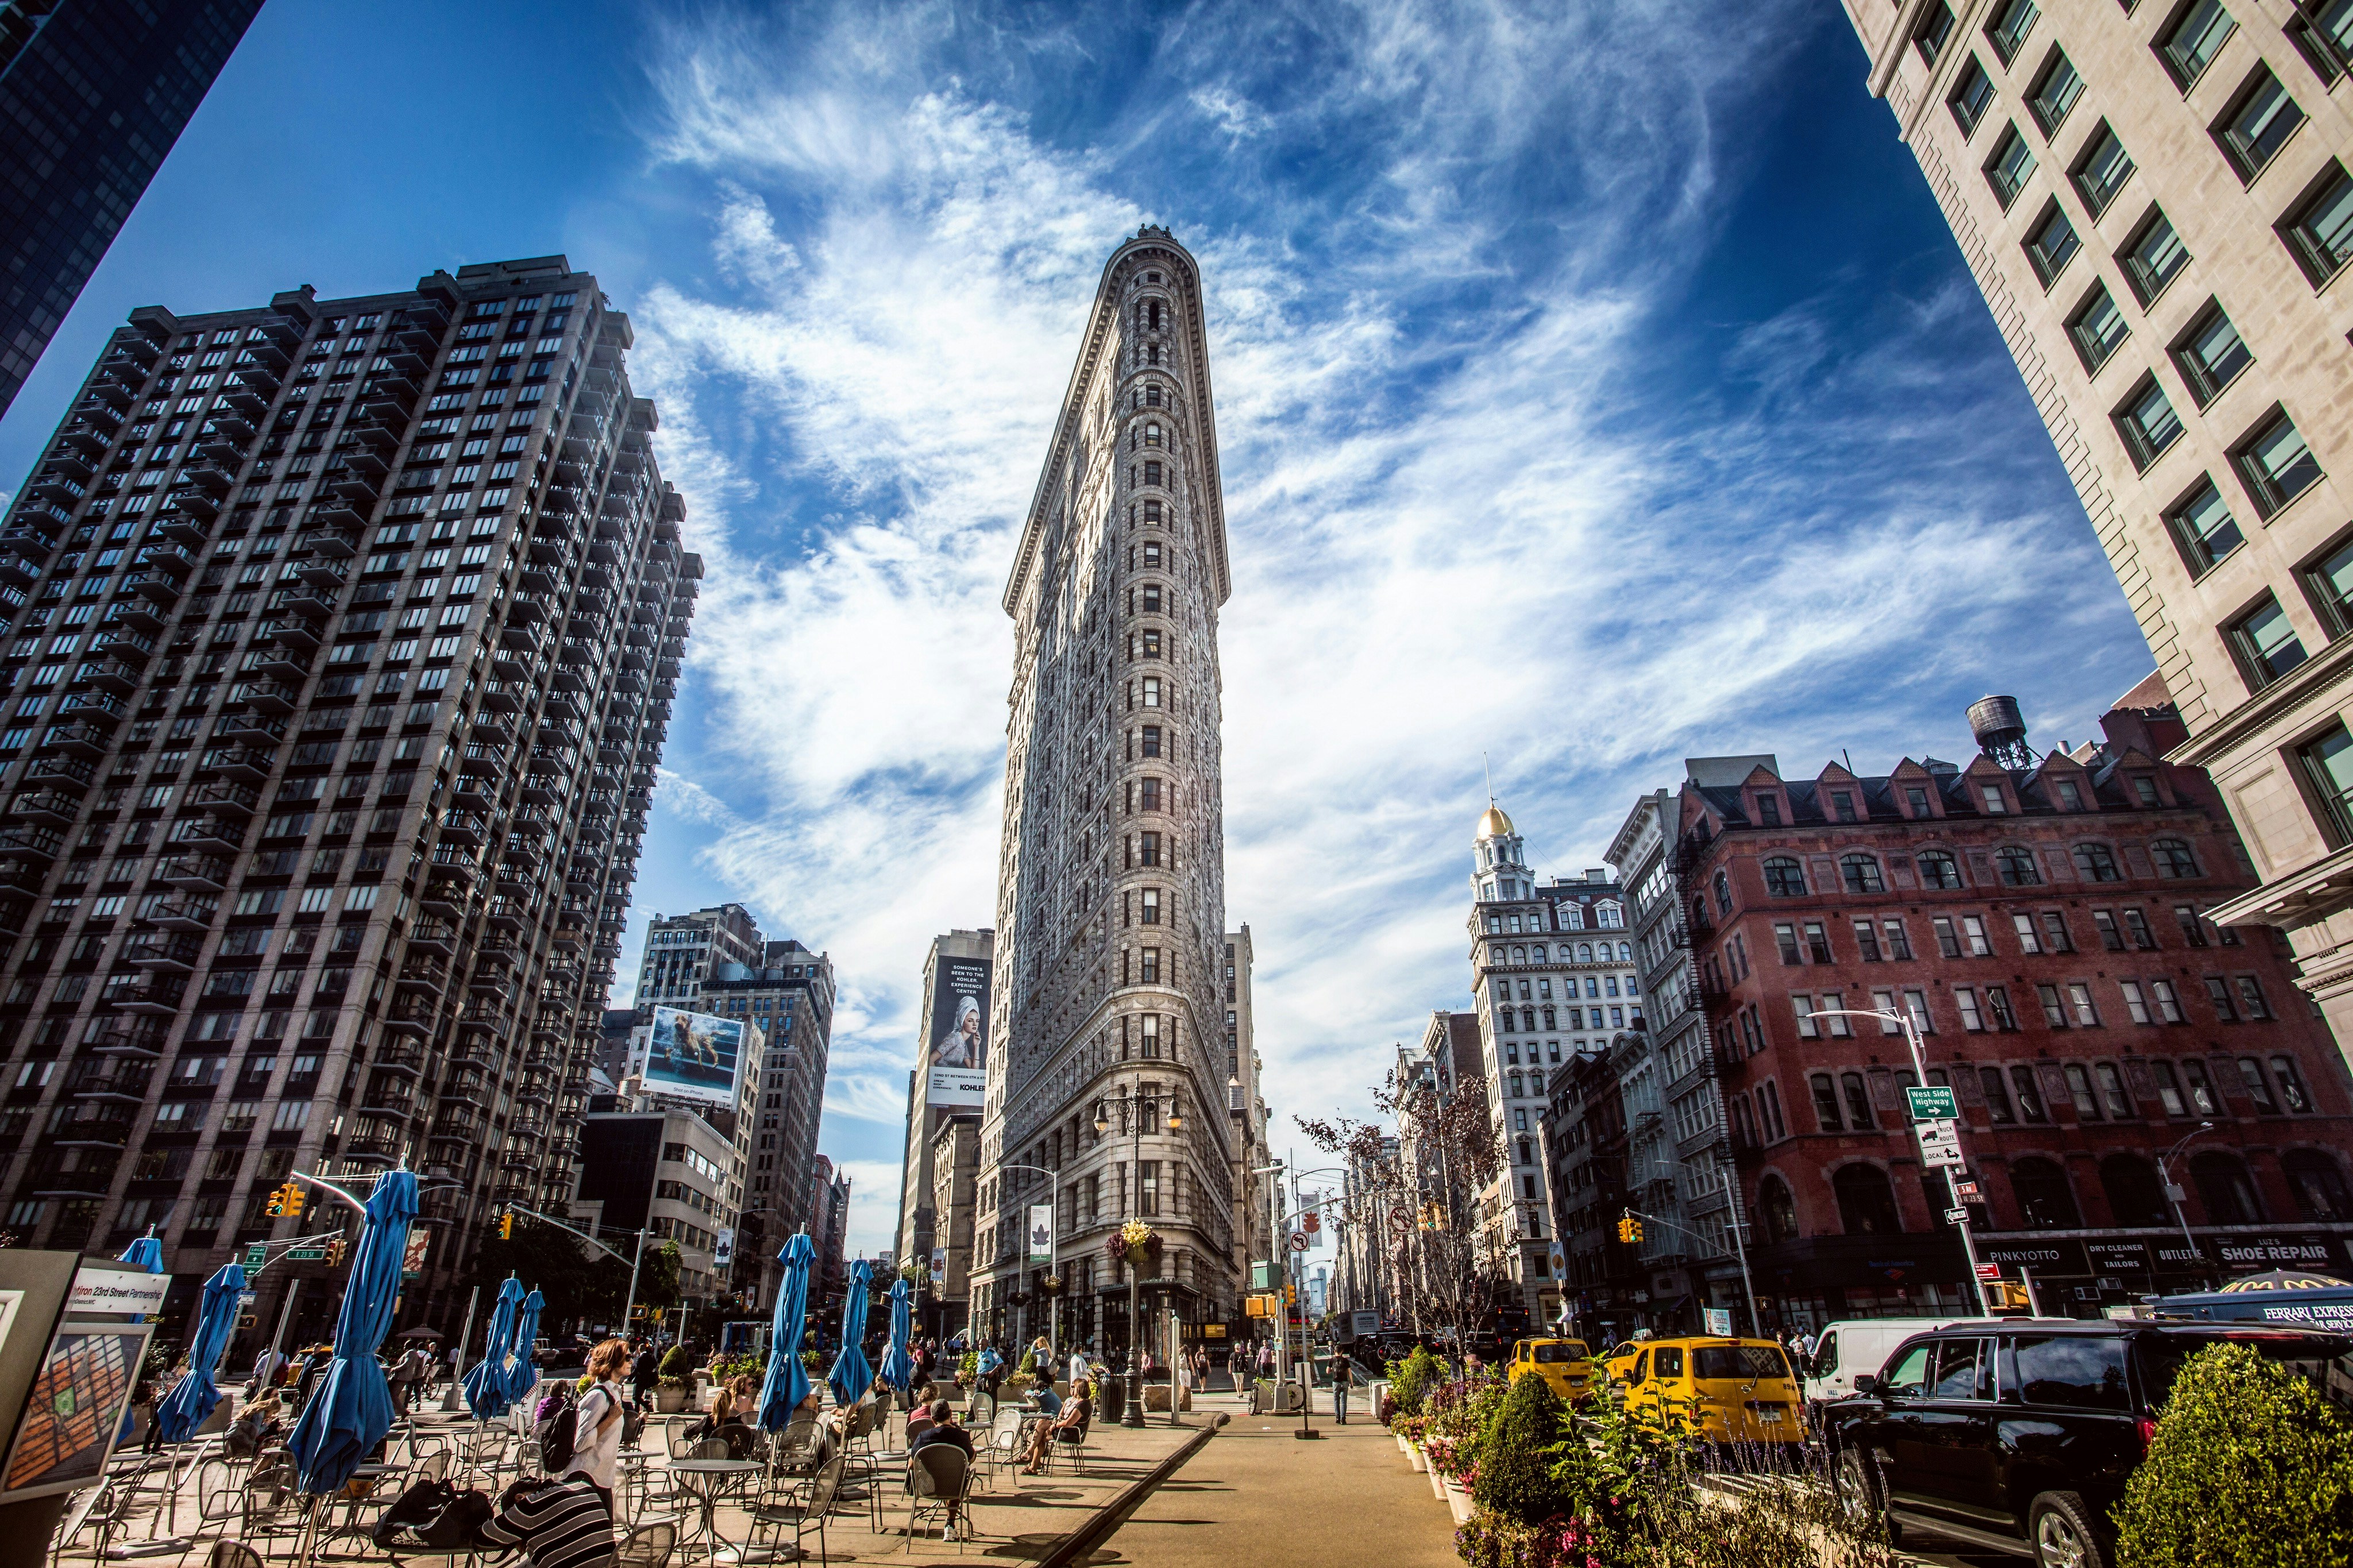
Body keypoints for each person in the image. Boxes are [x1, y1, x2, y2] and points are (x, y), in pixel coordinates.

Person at [478, 1475, 615, 1568]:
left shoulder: (529, 1505)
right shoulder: (583, 1487)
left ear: (519, 1498)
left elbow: (483, 1537)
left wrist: (519, 1532)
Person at [562, 1339, 630, 1513]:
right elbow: (580, 1442)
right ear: (613, 1361)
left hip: (602, 1478)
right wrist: (610, 1420)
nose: (631, 1361)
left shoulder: (615, 1392)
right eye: (627, 1357)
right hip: (586, 1478)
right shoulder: (598, 1396)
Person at [1018, 1380, 1088, 1474]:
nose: (1071, 1389)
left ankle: (1032, 1460)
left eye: (1073, 1387)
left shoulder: (1083, 1404)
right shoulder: (1072, 1400)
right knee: (1040, 1424)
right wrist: (1057, 1420)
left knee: (1041, 1431)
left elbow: (1068, 1423)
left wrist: (1055, 1425)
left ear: (1079, 1389)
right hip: (1064, 1429)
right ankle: (1033, 1463)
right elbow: (1061, 1414)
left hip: (1071, 1433)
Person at [629, 1342, 659, 1412]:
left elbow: (637, 1370)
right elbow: (655, 1365)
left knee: (635, 1396)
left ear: (639, 1350)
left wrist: (629, 1379)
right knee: (639, 1396)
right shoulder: (651, 1356)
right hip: (648, 1379)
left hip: (640, 1379)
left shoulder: (640, 1358)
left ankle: (646, 1405)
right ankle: (637, 1411)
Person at [1330, 1351, 1355, 1425]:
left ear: (1335, 1351)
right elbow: (1350, 1372)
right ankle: (1343, 1419)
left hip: (1335, 1383)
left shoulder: (1332, 1360)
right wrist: (1351, 1383)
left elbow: (1327, 1371)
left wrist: (1333, 1369)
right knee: (1344, 1401)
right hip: (1344, 1382)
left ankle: (1337, 1417)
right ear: (1342, 1352)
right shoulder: (1345, 1360)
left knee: (1336, 1399)